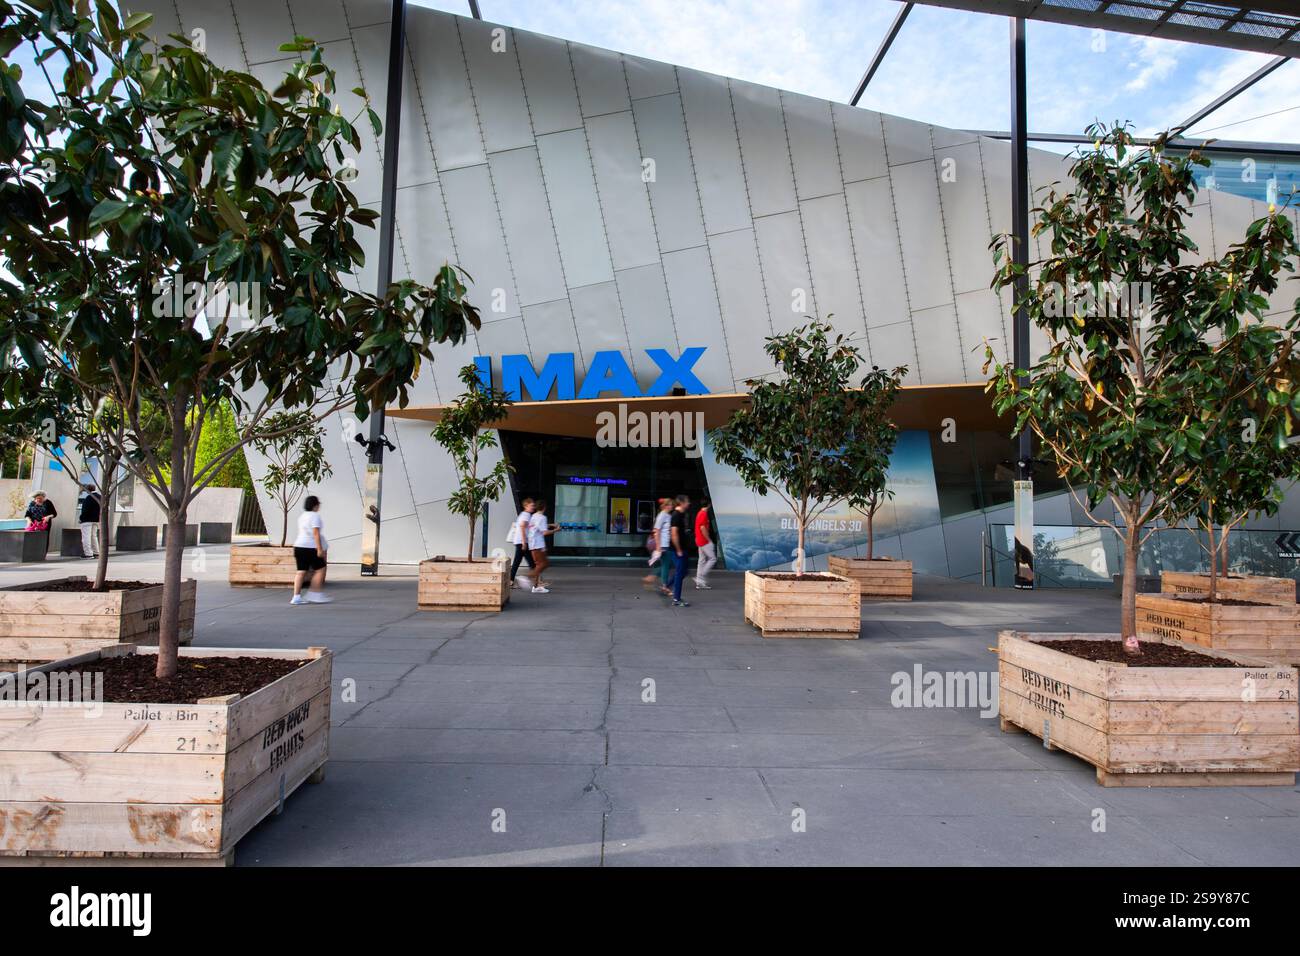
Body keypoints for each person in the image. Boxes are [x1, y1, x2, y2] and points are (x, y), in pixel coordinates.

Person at [290, 495, 332, 605]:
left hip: (299, 546)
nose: (319, 506)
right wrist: (319, 549)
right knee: (321, 569)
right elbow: (315, 533)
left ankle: (296, 597)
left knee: (300, 572)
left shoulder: (302, 516)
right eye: (318, 504)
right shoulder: (315, 516)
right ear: (315, 505)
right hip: (310, 547)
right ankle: (315, 593)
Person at [527, 499, 558, 593]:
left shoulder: (534, 516)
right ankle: (527, 576)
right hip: (538, 544)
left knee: (538, 565)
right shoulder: (542, 517)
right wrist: (555, 530)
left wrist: (551, 525)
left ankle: (535, 587)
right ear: (544, 507)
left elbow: (538, 526)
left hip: (533, 544)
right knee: (544, 564)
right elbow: (544, 532)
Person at [509, 497, 537, 588]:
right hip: (522, 542)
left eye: (533, 505)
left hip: (520, 541)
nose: (533, 507)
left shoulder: (524, 514)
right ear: (526, 506)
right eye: (531, 505)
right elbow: (522, 527)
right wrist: (524, 543)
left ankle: (511, 580)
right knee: (530, 562)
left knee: (519, 562)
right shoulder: (526, 515)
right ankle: (537, 581)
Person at [668, 494, 691, 607]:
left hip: (683, 549)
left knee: (684, 571)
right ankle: (676, 599)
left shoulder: (682, 515)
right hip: (678, 550)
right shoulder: (676, 515)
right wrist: (678, 550)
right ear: (681, 503)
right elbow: (674, 534)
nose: (689, 503)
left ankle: (667, 586)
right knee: (680, 572)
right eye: (687, 501)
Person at [693, 496, 716, 590]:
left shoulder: (699, 513)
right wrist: (709, 540)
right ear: (709, 504)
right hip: (704, 541)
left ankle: (700, 583)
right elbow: (702, 528)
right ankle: (700, 578)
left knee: (701, 561)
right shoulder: (703, 514)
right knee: (713, 559)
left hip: (699, 540)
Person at [653, 498, 674, 595]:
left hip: (667, 544)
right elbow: (656, 531)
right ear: (665, 506)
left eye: (671, 504)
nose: (671, 506)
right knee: (666, 565)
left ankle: (655, 579)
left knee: (666, 565)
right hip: (663, 545)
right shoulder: (662, 515)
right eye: (669, 504)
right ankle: (664, 586)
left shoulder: (667, 515)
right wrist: (658, 546)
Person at [77, 483, 102, 558]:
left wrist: (81, 519)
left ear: (87, 489)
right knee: (94, 536)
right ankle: (96, 552)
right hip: (96, 520)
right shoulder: (100, 497)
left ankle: (88, 553)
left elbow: (85, 510)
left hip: (87, 520)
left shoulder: (88, 498)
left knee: (86, 537)